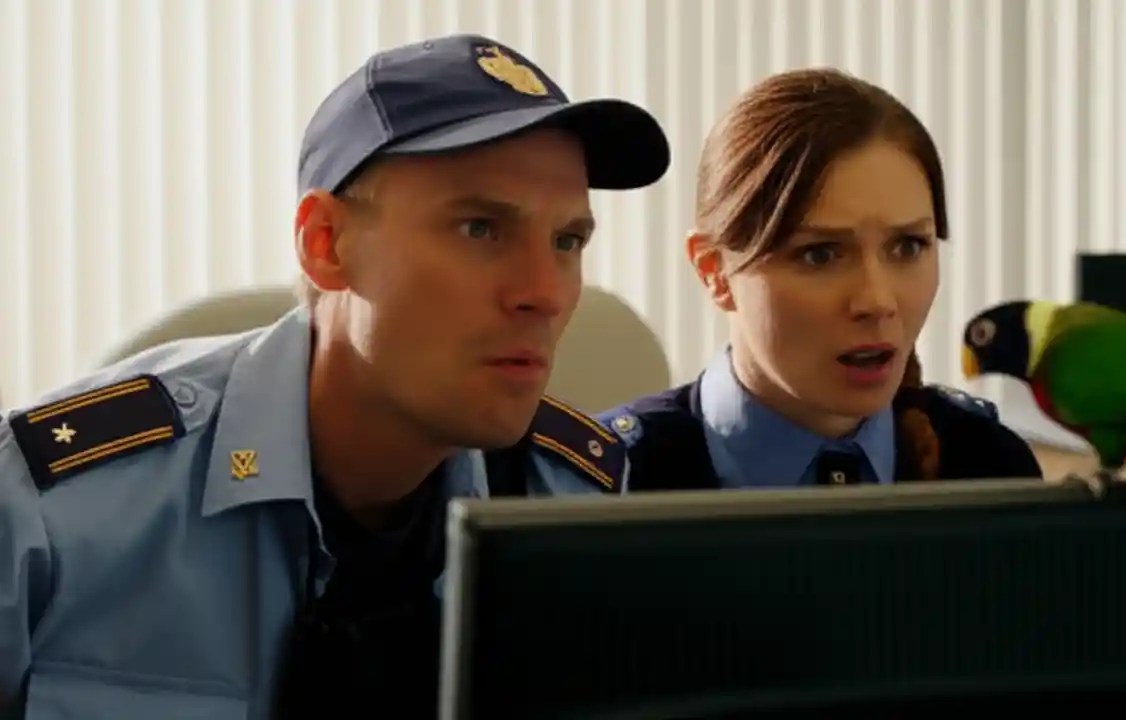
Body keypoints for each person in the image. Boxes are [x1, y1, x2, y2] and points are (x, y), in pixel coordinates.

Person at [0, 34, 668, 719]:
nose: (546, 293)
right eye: (479, 229)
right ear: (326, 244)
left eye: (568, 242)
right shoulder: (55, 513)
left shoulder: (576, 506)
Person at [596, 68, 1042, 490]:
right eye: (821, 254)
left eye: (908, 246)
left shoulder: (990, 464)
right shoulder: (610, 481)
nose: (877, 300)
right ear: (715, 270)